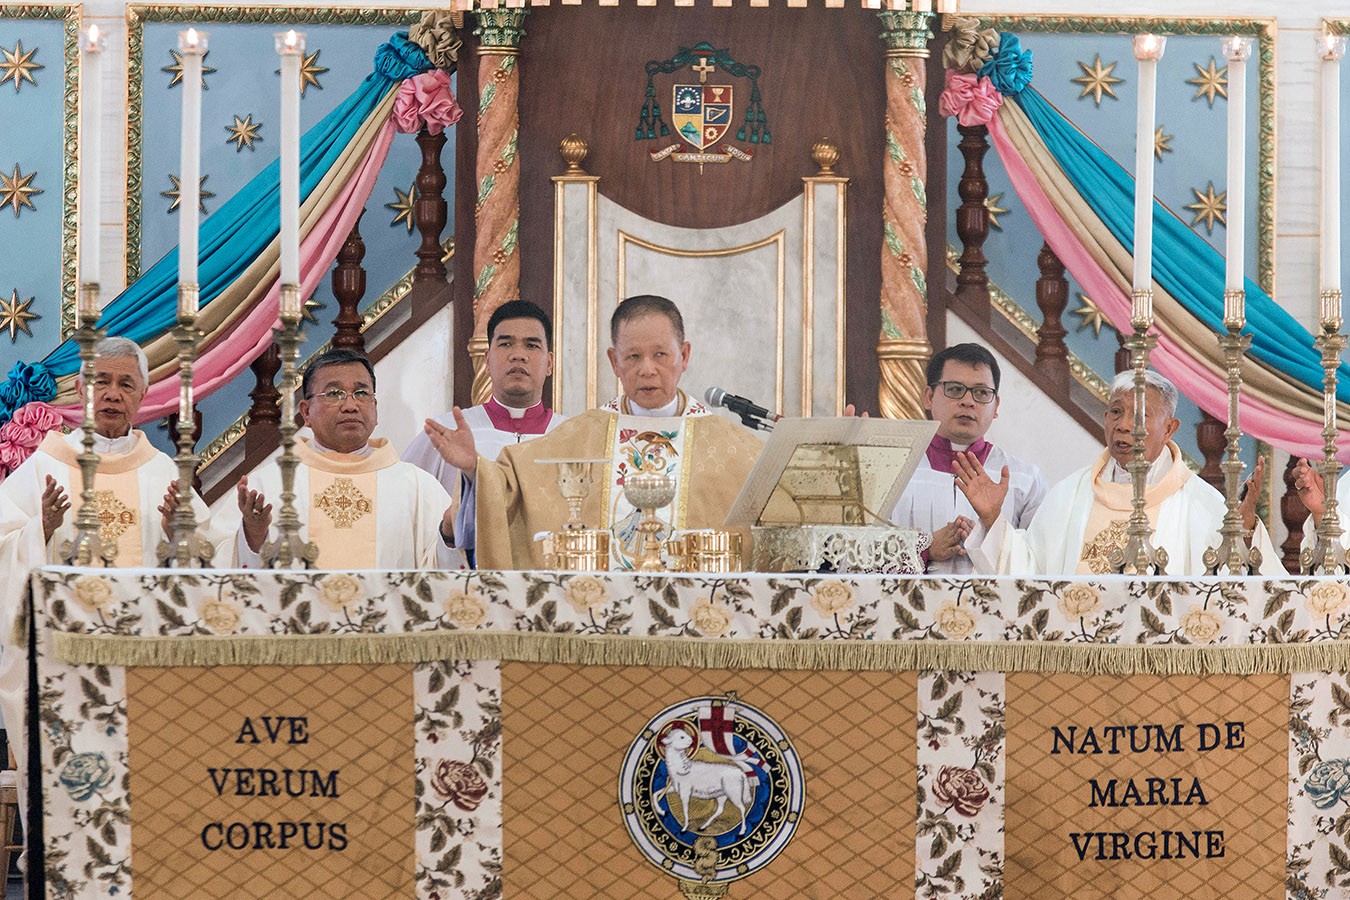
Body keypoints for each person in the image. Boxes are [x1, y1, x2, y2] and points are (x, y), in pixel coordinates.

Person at [0, 336, 219, 832]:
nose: (112, 393)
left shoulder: (163, 472)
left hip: (145, 667)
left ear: (142, 396)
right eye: (101, 381)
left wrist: (176, 539)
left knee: (148, 801)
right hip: (63, 663)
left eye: (126, 383)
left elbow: (209, 566)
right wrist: (42, 530)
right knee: (71, 811)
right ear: (80, 389)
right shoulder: (44, 466)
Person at [422, 294, 764, 569]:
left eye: (660, 354)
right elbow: (509, 488)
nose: (647, 369)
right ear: (614, 361)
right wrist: (474, 470)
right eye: (632, 357)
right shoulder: (581, 435)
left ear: (684, 355)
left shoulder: (733, 446)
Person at [954, 369, 1281, 575]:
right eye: (1115, 411)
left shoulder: (1202, 504)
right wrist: (993, 521)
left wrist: (1245, 531)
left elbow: (1235, 593)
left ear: (1169, 429)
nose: (1123, 425)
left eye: (1139, 416)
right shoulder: (1070, 495)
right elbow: (1029, 571)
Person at [221, 348, 457, 568]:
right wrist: (253, 534)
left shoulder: (416, 486)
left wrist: (449, 532)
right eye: (334, 393)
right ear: (306, 412)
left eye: (361, 393)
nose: (350, 405)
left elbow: (444, 575)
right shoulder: (268, 485)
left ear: (374, 408)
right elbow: (217, 570)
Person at [403, 300, 565, 566]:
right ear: (487, 360)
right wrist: (447, 528)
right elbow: (407, 526)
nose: (518, 355)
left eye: (532, 345)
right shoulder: (445, 434)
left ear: (549, 363)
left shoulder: (571, 436)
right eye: (505, 344)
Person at [891, 343, 1046, 574]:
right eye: (955, 389)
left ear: (995, 406)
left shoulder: (1025, 478)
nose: (968, 401)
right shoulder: (893, 469)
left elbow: (1041, 562)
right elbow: (858, 553)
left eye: (982, 393)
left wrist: (991, 528)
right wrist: (925, 549)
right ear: (929, 397)